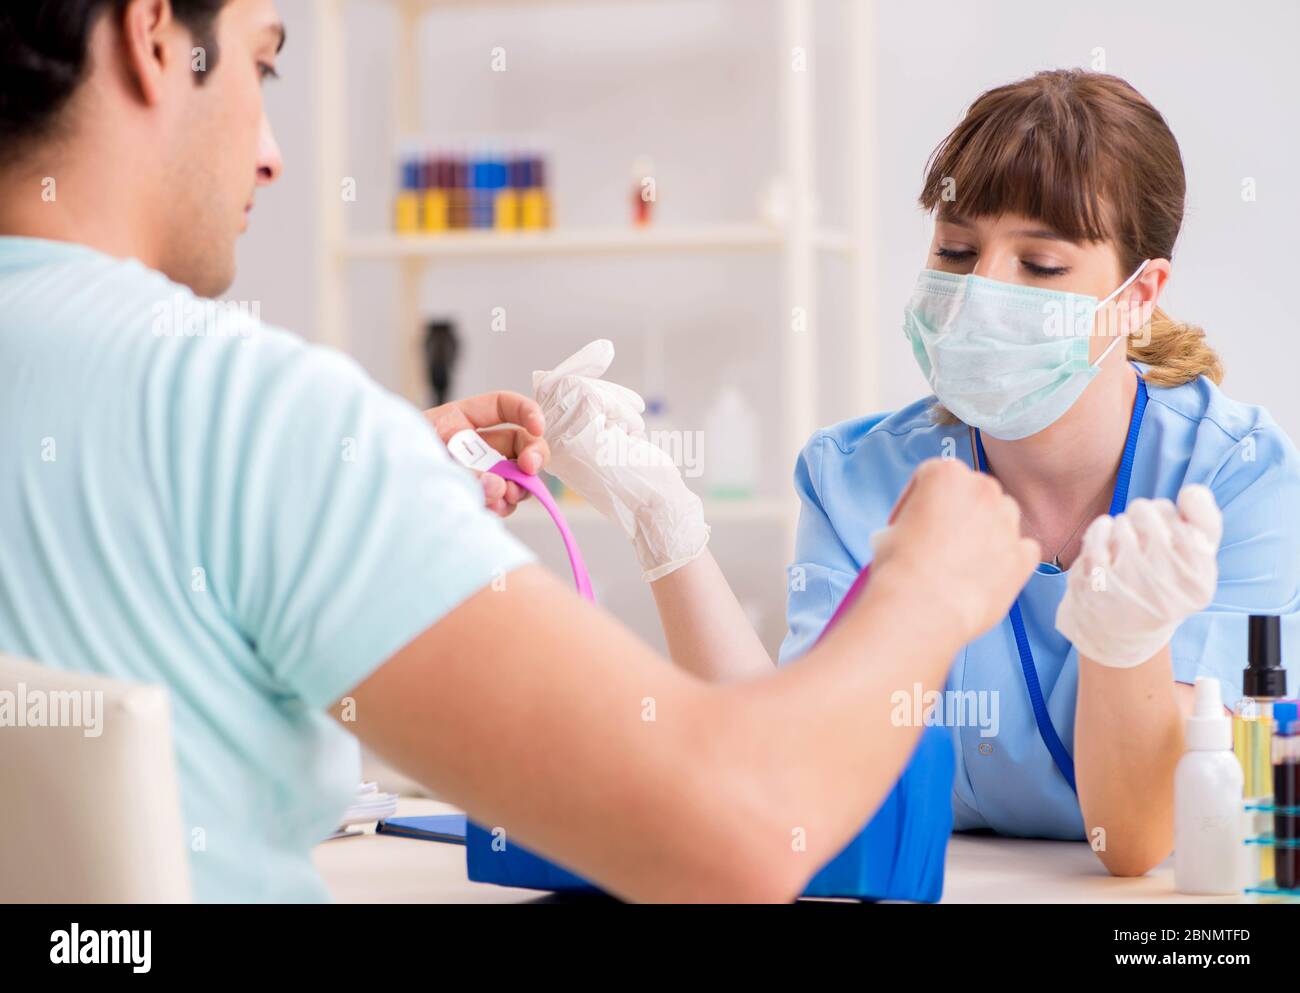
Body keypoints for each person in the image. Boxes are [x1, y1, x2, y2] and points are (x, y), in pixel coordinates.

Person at [0, 0, 1041, 902]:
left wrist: (362, 476)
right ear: (152, 39)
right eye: (261, 61)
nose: (272, 151)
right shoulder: (249, 410)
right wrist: (926, 591)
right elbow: (736, 837)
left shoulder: (247, 434)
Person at [536, 70, 1300, 877]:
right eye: (957, 250)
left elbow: (1137, 837)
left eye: (1040, 265)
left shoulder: (1232, 480)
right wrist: (666, 527)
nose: (978, 293)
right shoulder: (855, 476)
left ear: (1139, 293)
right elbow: (785, 774)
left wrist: (1127, 641)